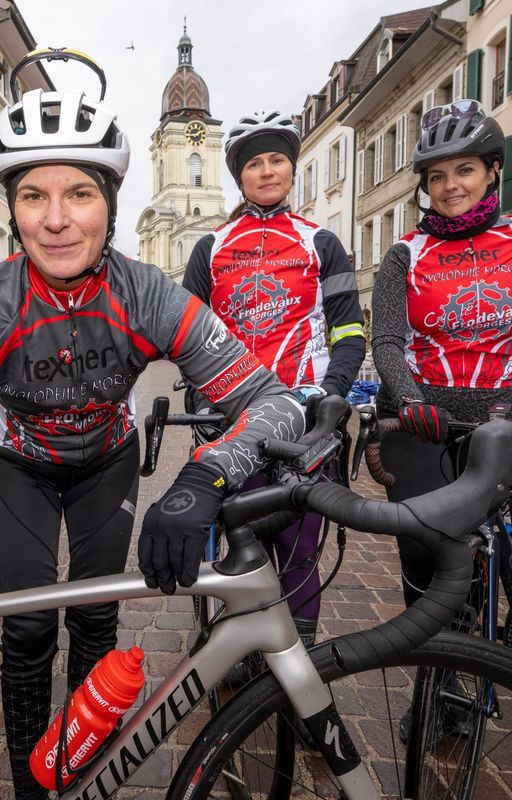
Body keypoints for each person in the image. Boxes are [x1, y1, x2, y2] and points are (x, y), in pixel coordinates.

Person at [0, 49, 307, 800]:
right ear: (12, 208)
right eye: (32, 196)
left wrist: (207, 474)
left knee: (91, 624)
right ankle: (29, 785)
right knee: (24, 632)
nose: (55, 221)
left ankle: (84, 775)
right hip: (17, 464)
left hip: (105, 464)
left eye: (79, 193)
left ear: (110, 204)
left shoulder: (147, 292)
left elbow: (275, 401)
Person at [371, 99, 512, 608]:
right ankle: (442, 658)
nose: (451, 187)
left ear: (492, 171)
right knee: (426, 557)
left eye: (465, 170)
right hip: (423, 420)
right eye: (437, 176)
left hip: (507, 412)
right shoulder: (405, 253)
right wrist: (406, 399)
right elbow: (387, 340)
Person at [183, 109, 366, 648]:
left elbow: (350, 333)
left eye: (277, 161)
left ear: (292, 169)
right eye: (254, 163)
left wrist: (332, 397)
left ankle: (299, 656)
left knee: (301, 543)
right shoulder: (210, 248)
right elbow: (187, 335)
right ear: (239, 177)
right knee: (243, 541)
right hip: (233, 416)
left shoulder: (321, 243)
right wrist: (202, 393)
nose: (267, 172)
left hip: (302, 417)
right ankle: (239, 644)